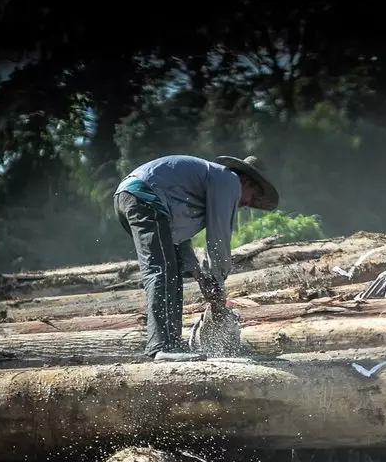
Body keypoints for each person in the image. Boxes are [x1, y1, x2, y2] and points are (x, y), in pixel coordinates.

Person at [113, 154, 279, 362]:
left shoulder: (202, 187)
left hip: (133, 197)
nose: (247, 204)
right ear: (246, 181)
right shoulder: (229, 181)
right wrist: (220, 282)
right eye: (252, 196)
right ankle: (162, 347)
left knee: (171, 273)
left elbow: (180, 239)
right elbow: (219, 236)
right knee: (161, 271)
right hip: (144, 197)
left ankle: (172, 343)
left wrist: (202, 278)